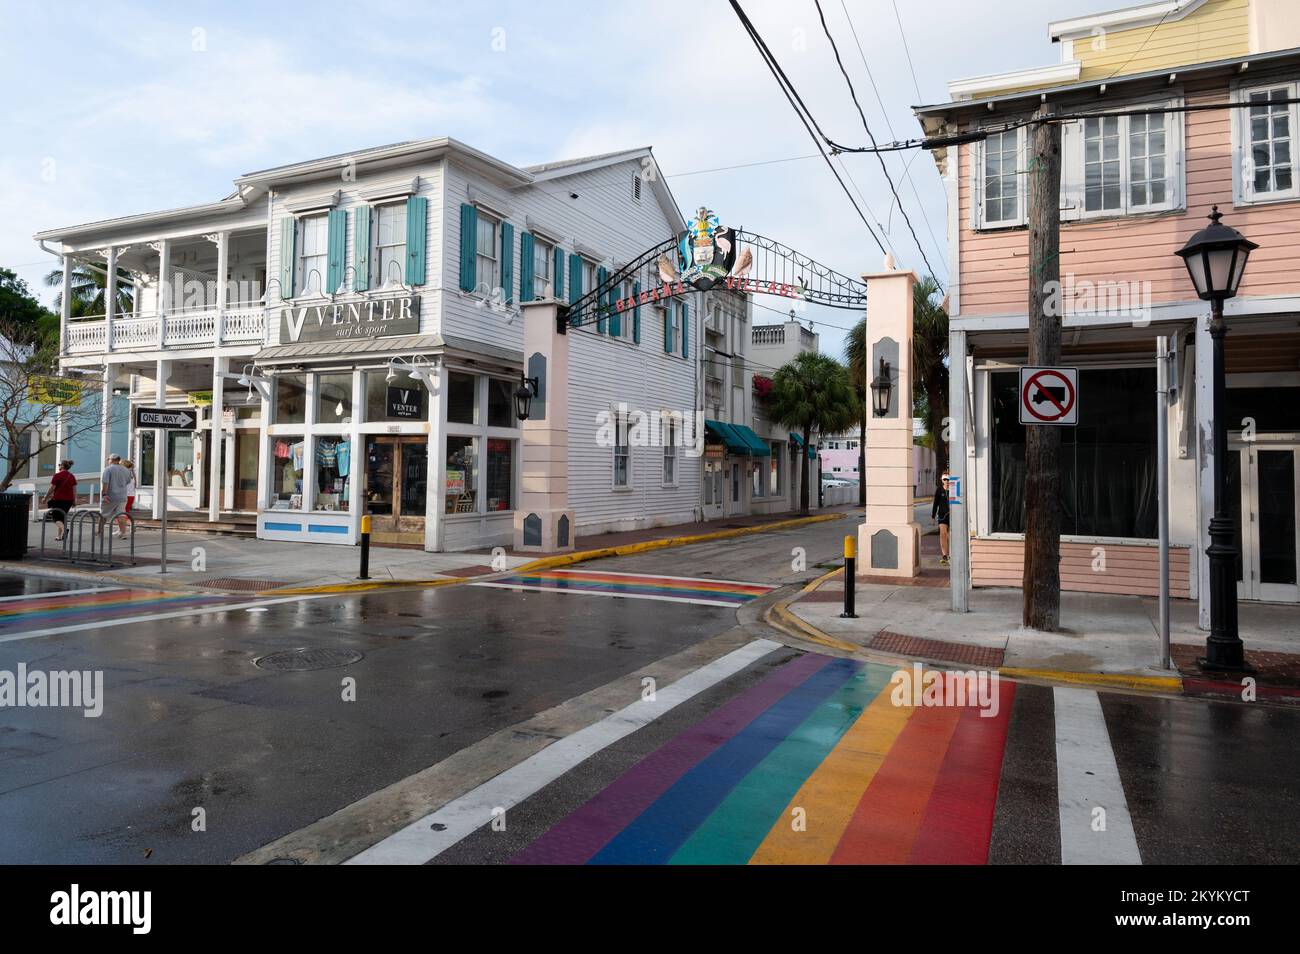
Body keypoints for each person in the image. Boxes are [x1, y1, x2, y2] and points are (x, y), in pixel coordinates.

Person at [44, 460, 77, 541]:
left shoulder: (57, 475)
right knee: (62, 517)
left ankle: (64, 530)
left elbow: (52, 488)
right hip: (69, 500)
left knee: (56, 518)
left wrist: (46, 497)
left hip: (58, 500)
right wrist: (75, 500)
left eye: (59, 465)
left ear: (62, 466)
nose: (58, 466)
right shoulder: (71, 476)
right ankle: (60, 536)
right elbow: (74, 490)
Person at [100, 454, 131, 539]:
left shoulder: (108, 469)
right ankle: (123, 533)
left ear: (112, 460)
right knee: (121, 515)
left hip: (111, 496)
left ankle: (99, 532)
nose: (108, 461)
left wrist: (104, 494)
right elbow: (128, 481)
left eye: (108, 459)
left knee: (103, 514)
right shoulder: (126, 470)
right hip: (123, 496)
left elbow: (105, 483)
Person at [932, 474, 951, 567]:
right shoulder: (939, 490)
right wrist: (933, 516)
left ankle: (951, 554)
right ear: (942, 480)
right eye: (945, 479)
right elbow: (935, 503)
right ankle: (944, 555)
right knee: (942, 534)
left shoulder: (953, 490)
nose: (947, 481)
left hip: (952, 516)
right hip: (942, 516)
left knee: (950, 536)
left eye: (948, 479)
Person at [117, 460, 137, 537]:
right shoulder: (132, 473)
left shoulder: (124, 474)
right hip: (131, 495)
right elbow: (135, 485)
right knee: (126, 512)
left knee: (120, 513)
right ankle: (131, 525)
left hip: (124, 495)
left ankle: (122, 530)